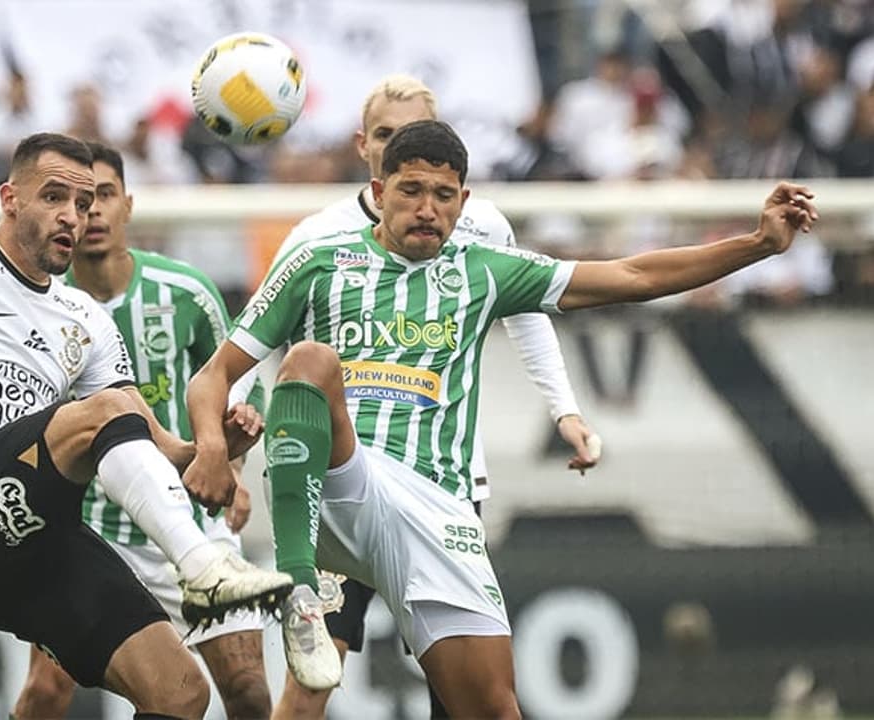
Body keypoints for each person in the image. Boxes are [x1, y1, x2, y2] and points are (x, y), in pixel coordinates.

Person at [185, 119, 817, 717]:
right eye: (409, 191)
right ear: (379, 192)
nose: (426, 209)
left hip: (440, 507)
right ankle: (300, 593)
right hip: (345, 482)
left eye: (442, 195)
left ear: (463, 202)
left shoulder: (483, 270)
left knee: (492, 707)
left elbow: (629, 272)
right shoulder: (319, 262)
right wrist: (212, 448)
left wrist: (759, 244)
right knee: (311, 360)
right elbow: (214, 376)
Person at [0, 132, 293, 720]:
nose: (72, 216)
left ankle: (201, 567)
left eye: (83, 203)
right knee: (98, 413)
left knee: (180, 693)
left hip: (25, 534)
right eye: (54, 197)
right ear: (9, 199)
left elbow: (143, 437)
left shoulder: (88, 321)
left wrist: (208, 449)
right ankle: (202, 567)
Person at [269, 74, 599, 720]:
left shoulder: (477, 228)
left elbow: (529, 311)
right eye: (389, 136)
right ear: (366, 148)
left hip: (441, 486)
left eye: (421, 134)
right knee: (312, 675)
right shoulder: (316, 238)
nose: (407, 148)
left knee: (458, 695)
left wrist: (565, 407)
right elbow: (272, 348)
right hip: (341, 485)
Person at [14, 142, 273, 719]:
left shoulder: (185, 290)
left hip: (193, 525)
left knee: (250, 691)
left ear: (128, 205)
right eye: (81, 202)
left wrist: (232, 467)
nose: (94, 213)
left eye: (105, 196)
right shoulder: (43, 309)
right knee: (45, 694)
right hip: (91, 534)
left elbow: (233, 382)